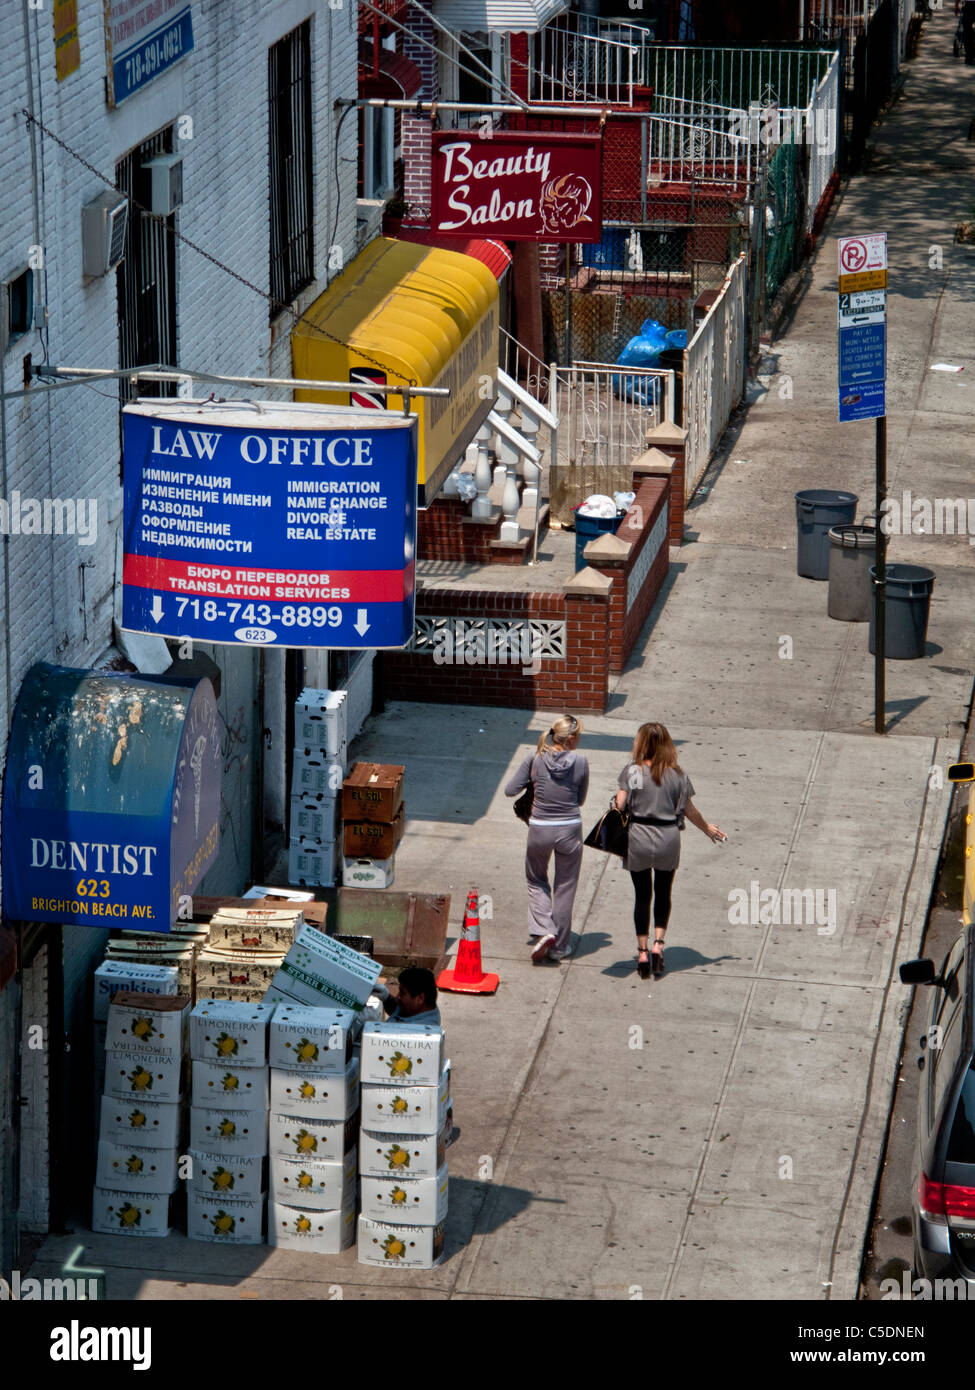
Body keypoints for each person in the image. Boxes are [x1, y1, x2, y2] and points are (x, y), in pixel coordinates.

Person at [615, 722, 724, 979]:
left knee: (642, 895)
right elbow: (689, 809)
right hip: (668, 838)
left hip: (638, 837)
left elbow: (620, 805)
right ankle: (658, 945)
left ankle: (641, 951)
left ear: (642, 743)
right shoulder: (677, 774)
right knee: (664, 892)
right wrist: (707, 828)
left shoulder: (634, 771)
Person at [505, 715, 589, 963]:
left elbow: (510, 790)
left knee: (536, 880)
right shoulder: (581, 761)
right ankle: (560, 947)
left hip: (540, 829)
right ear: (571, 738)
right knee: (565, 887)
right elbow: (580, 800)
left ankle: (544, 929)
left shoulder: (535, 758)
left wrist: (533, 780)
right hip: (570, 829)